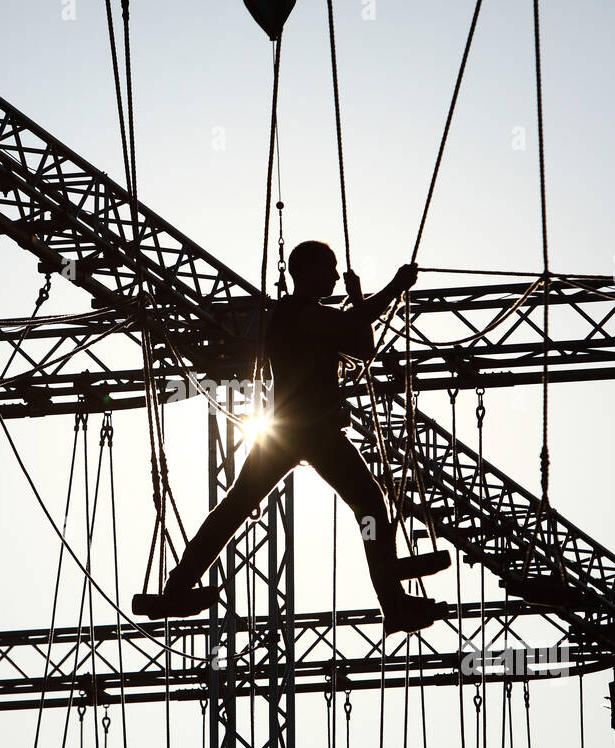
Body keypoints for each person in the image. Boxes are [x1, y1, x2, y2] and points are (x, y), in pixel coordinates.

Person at [145, 240, 447, 635]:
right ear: (305, 273)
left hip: (293, 433)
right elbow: (347, 327)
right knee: (368, 505)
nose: (337, 277)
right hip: (309, 431)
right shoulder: (293, 313)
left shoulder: (315, 315)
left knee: (241, 509)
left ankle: (178, 589)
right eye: (330, 270)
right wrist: (393, 287)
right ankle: (391, 594)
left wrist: (360, 300)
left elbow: (362, 347)